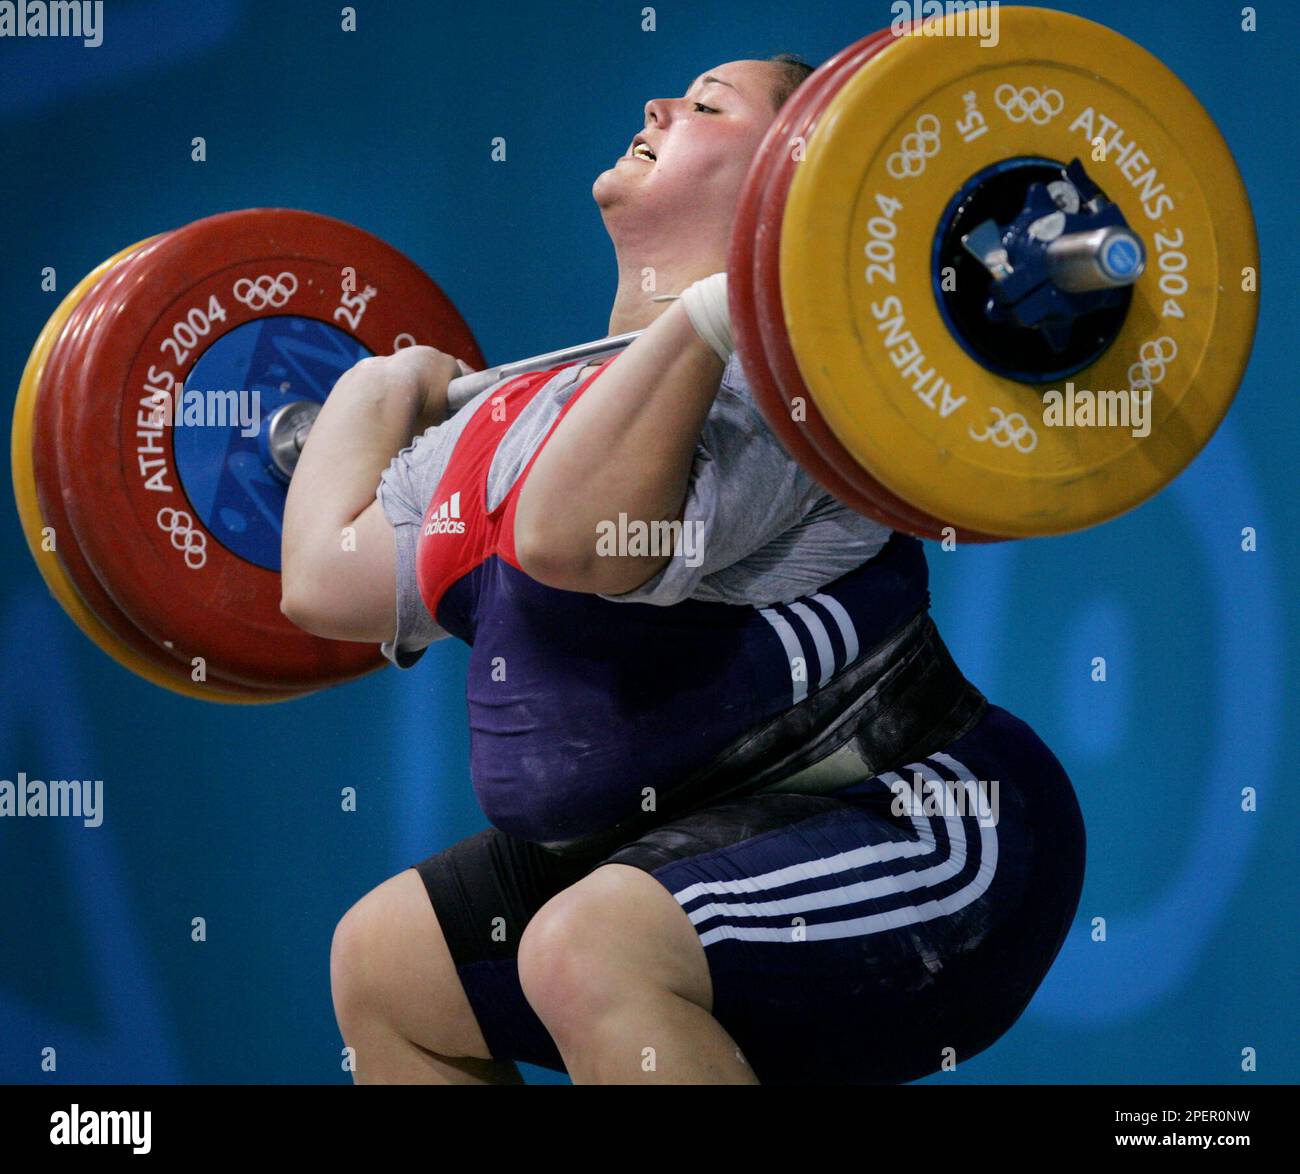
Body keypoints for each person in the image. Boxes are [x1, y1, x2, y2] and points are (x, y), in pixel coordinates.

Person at [280, 55, 1085, 1085]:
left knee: (588, 951)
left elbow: (575, 540)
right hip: (700, 834)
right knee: (388, 966)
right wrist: (372, 388)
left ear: (793, 184)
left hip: (934, 833)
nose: (655, 105)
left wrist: (717, 310)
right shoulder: (502, 420)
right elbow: (321, 582)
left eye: (708, 105)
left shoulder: (803, 390)